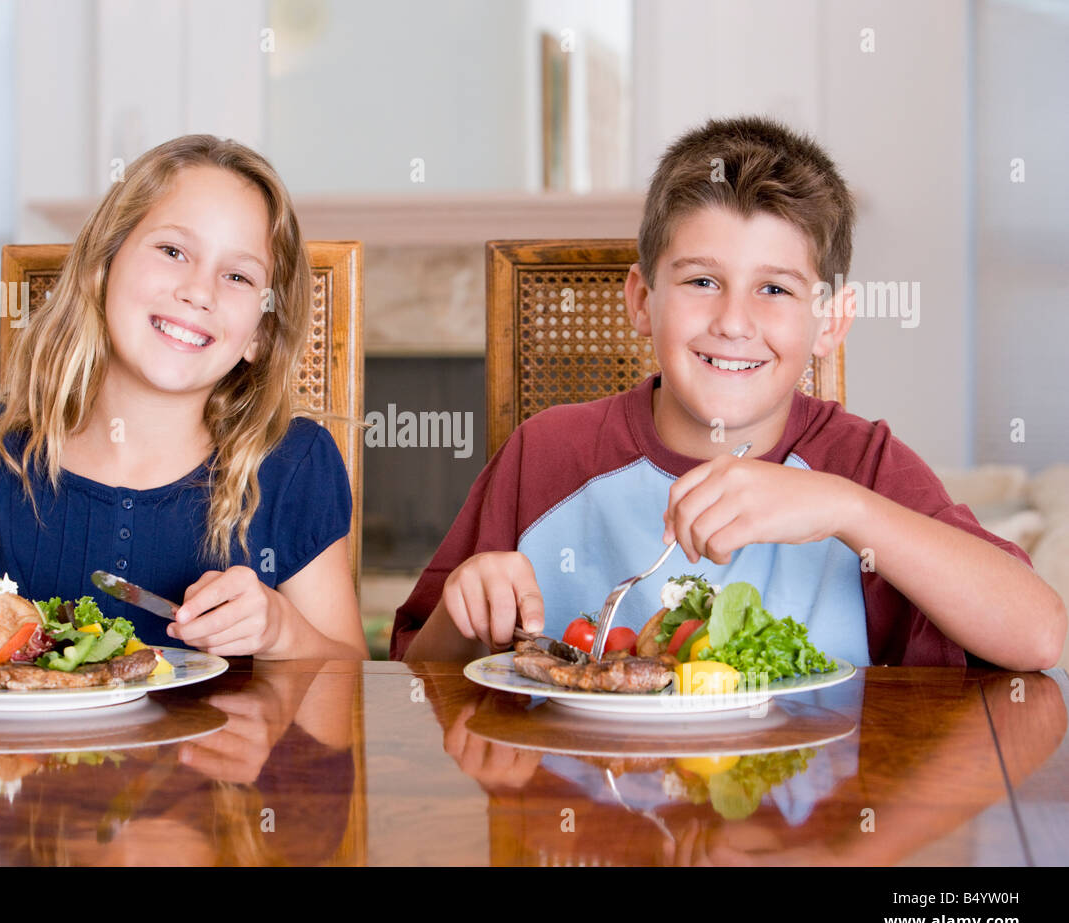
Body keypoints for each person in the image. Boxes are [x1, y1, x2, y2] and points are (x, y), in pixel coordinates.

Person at [393, 116, 1066, 670]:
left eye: (774, 289)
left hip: (808, 823)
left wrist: (845, 509)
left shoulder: (861, 469)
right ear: (640, 300)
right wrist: (462, 613)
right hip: (585, 822)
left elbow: (1039, 635)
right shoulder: (547, 454)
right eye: (701, 282)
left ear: (830, 320)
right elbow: (418, 681)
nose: (734, 323)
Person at [0, 134, 366, 660]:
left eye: (237, 275)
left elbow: (351, 696)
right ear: (103, 268)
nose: (199, 291)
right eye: (172, 251)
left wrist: (282, 632)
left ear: (260, 333)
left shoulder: (294, 464)